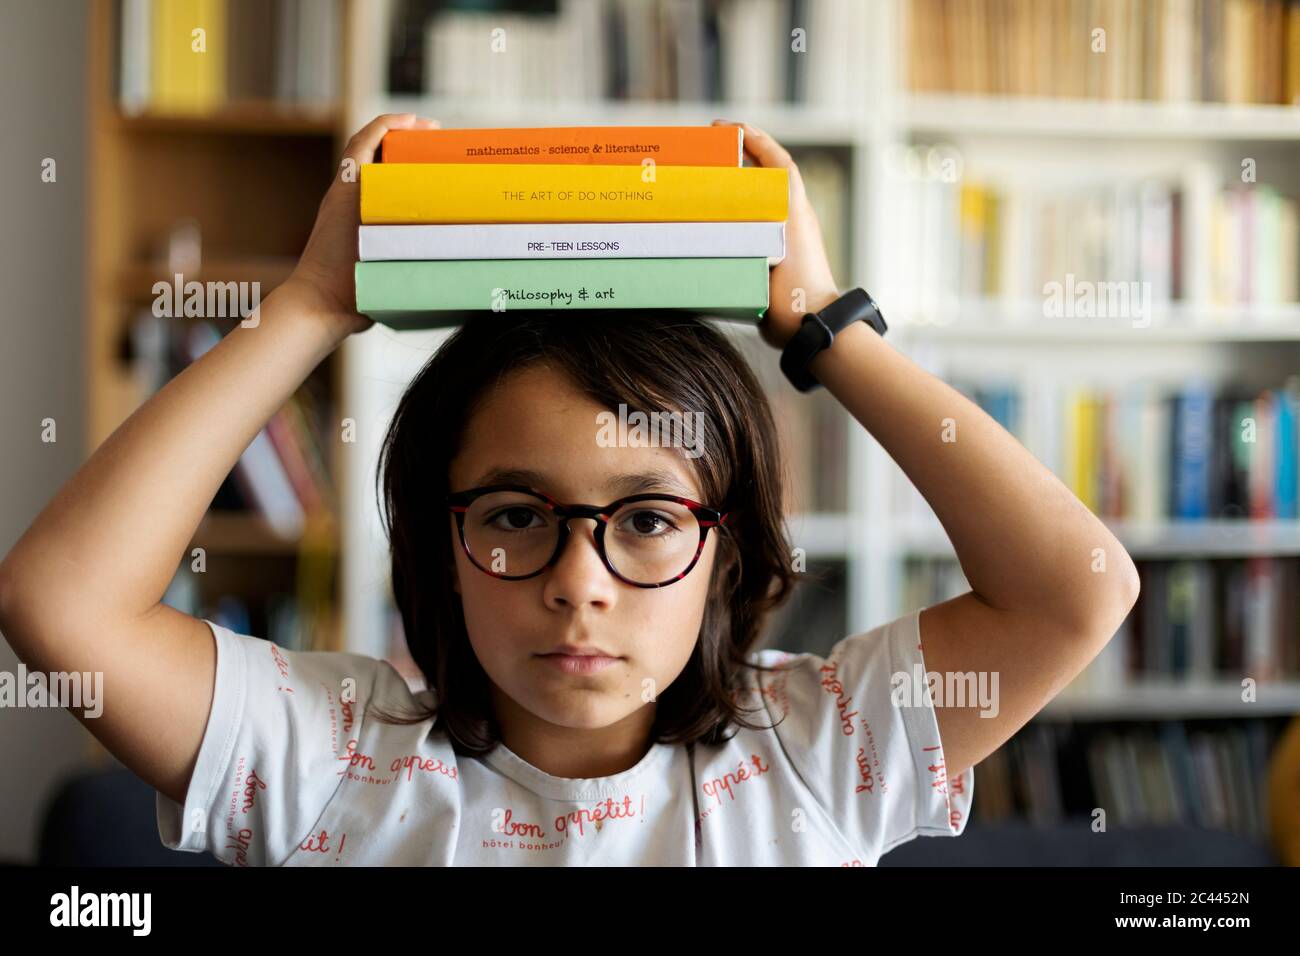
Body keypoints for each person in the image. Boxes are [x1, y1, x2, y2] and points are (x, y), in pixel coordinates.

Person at [0, 115, 1139, 866]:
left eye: (646, 519)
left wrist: (826, 324)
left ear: (726, 547)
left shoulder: (811, 747)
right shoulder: (335, 754)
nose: (577, 584)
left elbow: (1076, 588)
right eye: (513, 515)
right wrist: (309, 303)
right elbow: (64, 606)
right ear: (437, 543)